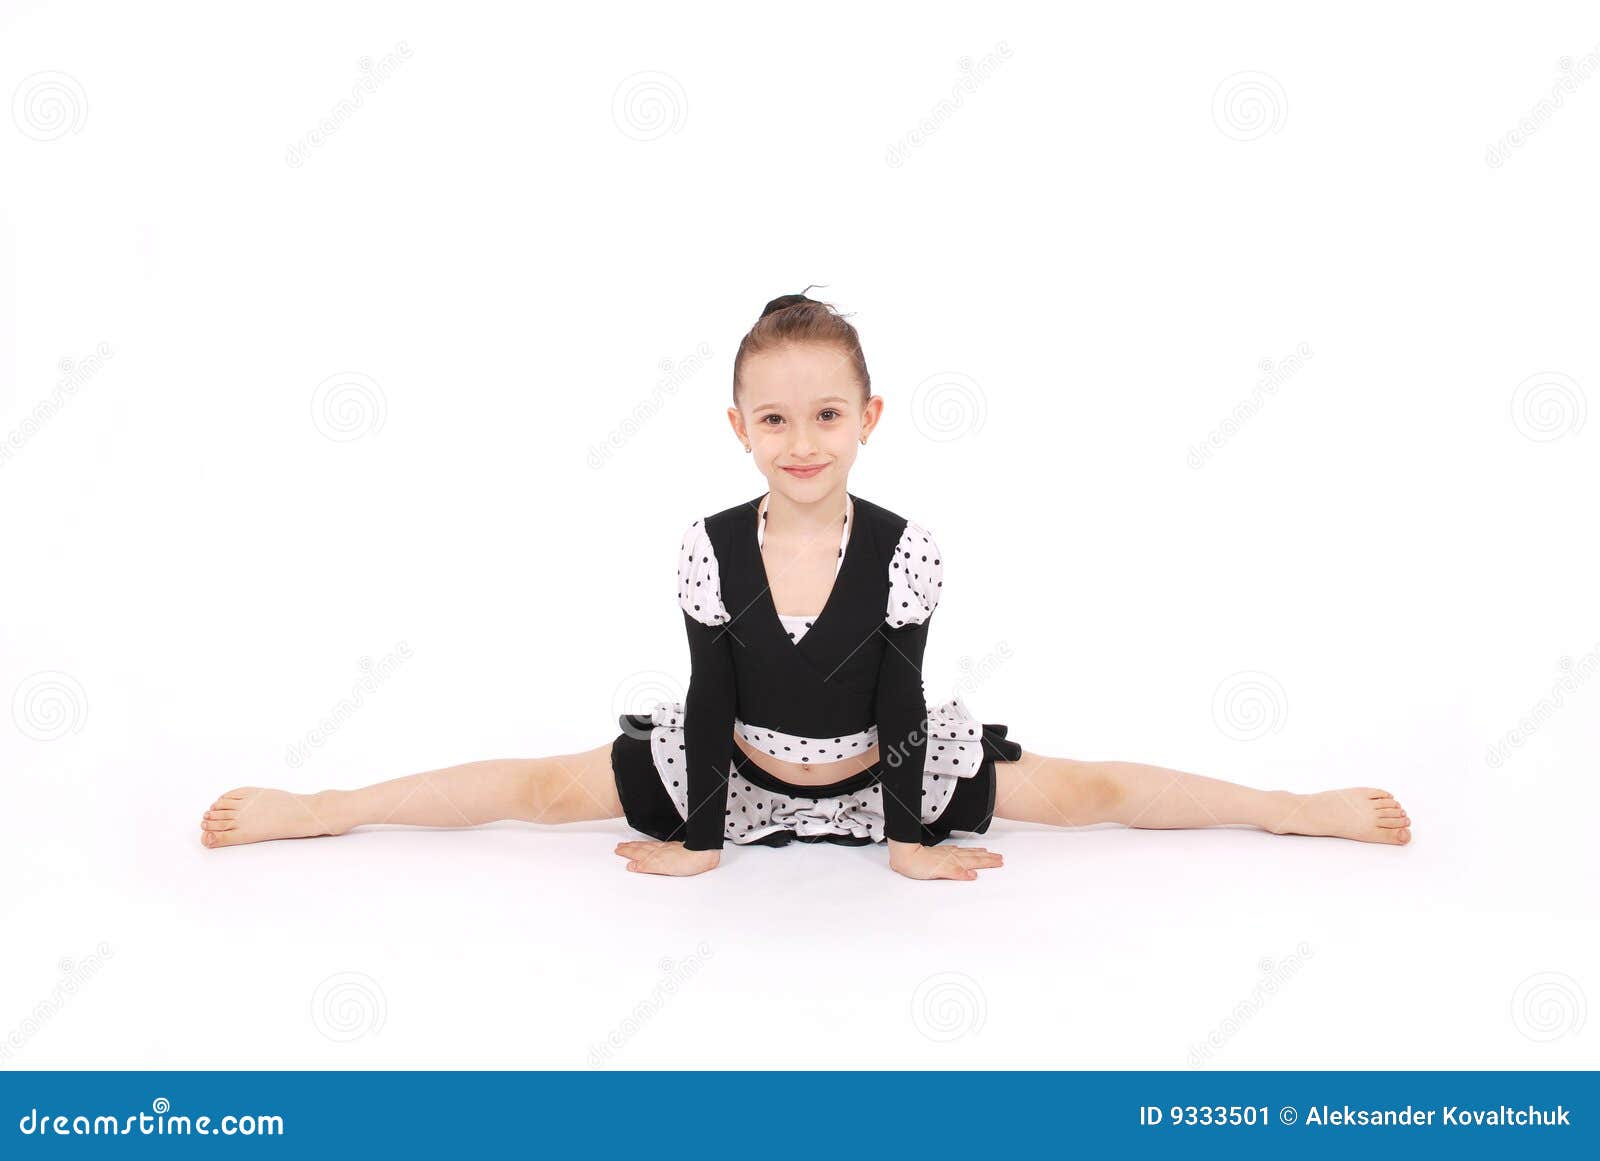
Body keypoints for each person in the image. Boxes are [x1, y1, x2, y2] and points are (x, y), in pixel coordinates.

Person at [198, 291, 1413, 880]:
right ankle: (328, 806)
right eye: (773, 417)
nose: (801, 439)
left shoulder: (907, 547)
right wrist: (700, 835)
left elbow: (898, 700)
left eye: (826, 413)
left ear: (867, 416)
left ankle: (1282, 804)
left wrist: (906, 839)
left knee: (1084, 789)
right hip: (731, 768)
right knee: (536, 785)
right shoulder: (706, 545)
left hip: (884, 772)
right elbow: (710, 688)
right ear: (738, 426)